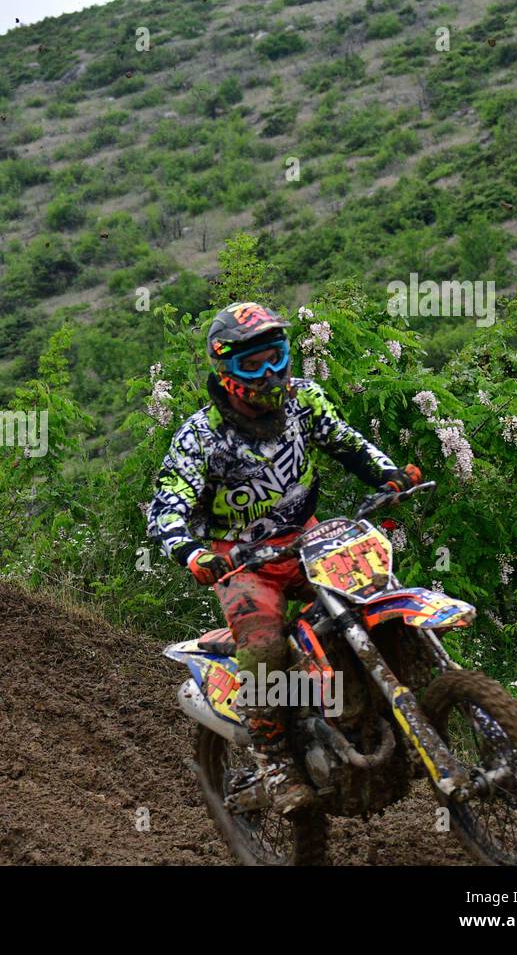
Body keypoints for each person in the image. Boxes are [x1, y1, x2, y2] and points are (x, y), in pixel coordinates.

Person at [147, 301, 421, 814]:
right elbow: (167, 504)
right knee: (266, 646)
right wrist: (192, 553)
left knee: (378, 595)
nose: (270, 373)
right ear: (225, 372)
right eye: (253, 364)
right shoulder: (200, 437)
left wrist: (387, 476)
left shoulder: (304, 401)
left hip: (309, 539)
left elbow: (348, 444)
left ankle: (402, 704)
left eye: (276, 356)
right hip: (242, 560)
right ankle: (275, 761)